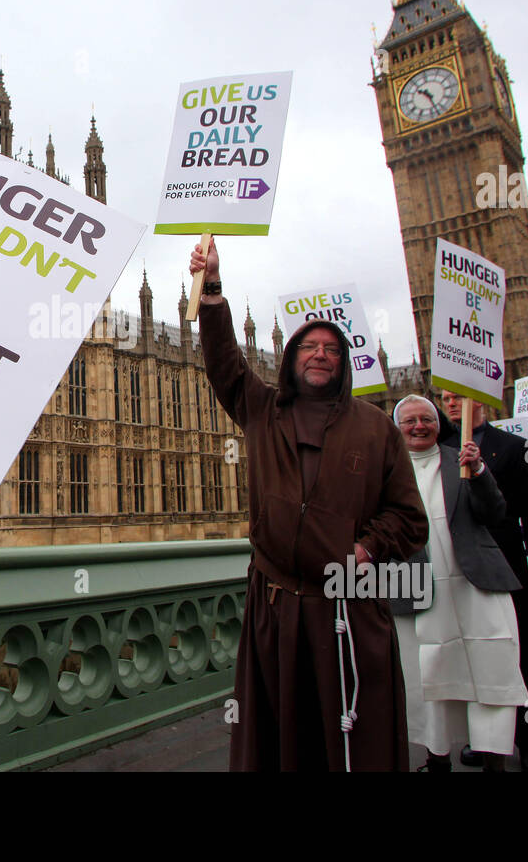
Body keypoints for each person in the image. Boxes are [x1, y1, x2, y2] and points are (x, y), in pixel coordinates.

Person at [190, 237, 428, 771]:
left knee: (352, 732)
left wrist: (367, 549)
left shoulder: (376, 428)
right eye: (308, 347)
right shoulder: (264, 409)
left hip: (348, 604)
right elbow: (224, 364)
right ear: (291, 355)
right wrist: (212, 288)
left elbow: (411, 521)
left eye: (331, 350)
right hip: (276, 603)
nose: (319, 355)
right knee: (280, 733)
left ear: (344, 363)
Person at [390, 396, 526, 772]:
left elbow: (495, 513)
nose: (418, 426)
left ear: (438, 425)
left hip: (474, 584)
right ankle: (438, 758)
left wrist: (480, 472)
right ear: (396, 427)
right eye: (409, 421)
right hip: (415, 586)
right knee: (427, 674)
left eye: (425, 419)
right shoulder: (384, 472)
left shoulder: (461, 460)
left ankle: (493, 758)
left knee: (491, 669)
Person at [436, 390, 528, 772]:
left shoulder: (514, 446)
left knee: (519, 657)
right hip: (460, 564)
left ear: (481, 401)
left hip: (506, 561)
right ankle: (482, 739)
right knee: (472, 656)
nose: (451, 404)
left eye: (458, 398)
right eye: (445, 399)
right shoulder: (440, 446)